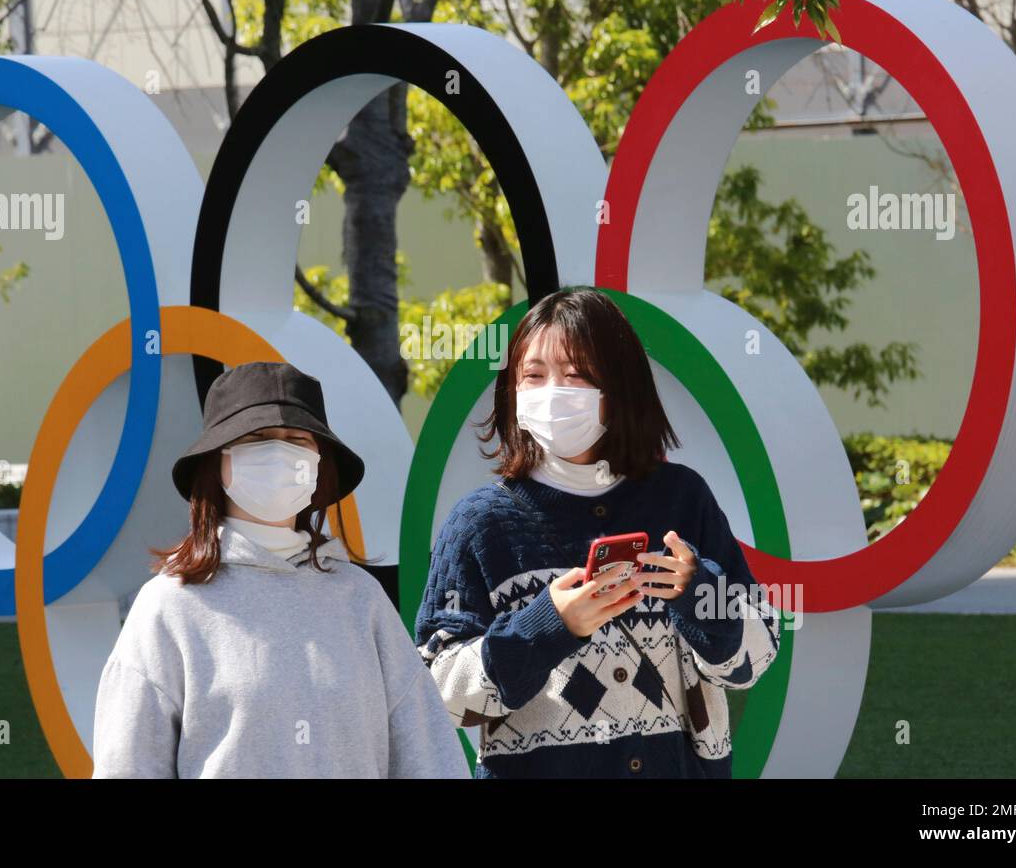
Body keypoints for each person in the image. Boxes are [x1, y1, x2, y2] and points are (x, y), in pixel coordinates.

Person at [414, 286, 782, 778]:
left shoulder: (682, 498)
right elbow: (438, 694)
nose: (552, 392)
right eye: (534, 376)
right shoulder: (479, 522)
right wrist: (545, 627)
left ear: (619, 389)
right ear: (512, 392)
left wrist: (697, 595)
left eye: (576, 375)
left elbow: (753, 661)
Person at [92, 361, 469, 778]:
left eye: (296, 439)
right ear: (217, 463)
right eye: (257, 438)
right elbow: (126, 767)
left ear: (318, 464)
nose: (280, 451)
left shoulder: (361, 600)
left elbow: (430, 756)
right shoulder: (169, 607)